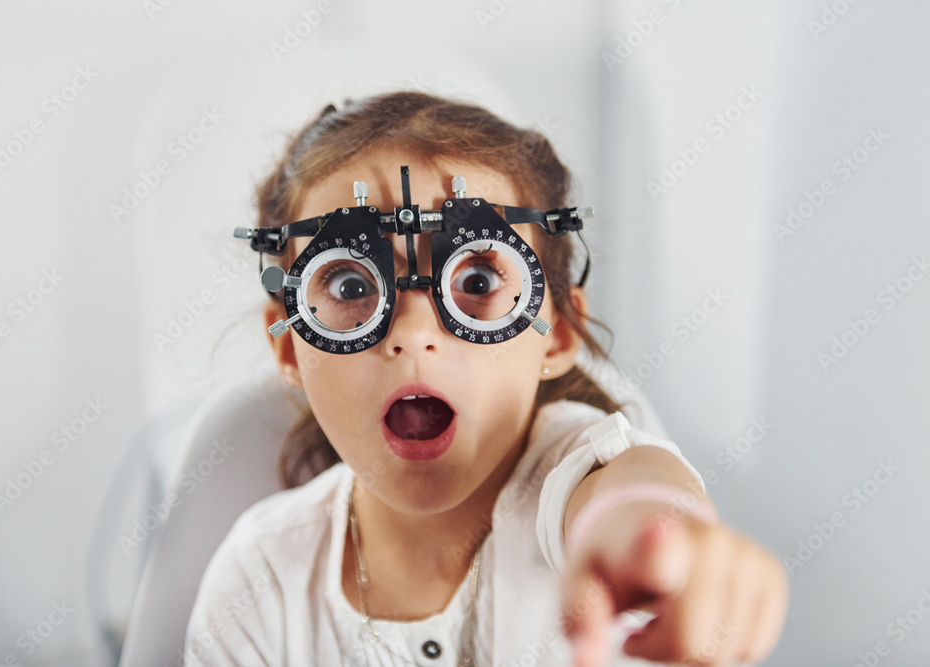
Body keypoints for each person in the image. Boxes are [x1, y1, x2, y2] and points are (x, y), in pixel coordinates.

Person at [183, 91, 788, 666]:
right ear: (289, 342)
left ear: (557, 332)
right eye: (351, 286)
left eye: (476, 281)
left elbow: (624, 485)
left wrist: (655, 529)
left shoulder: (564, 474)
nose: (414, 330)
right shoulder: (262, 578)